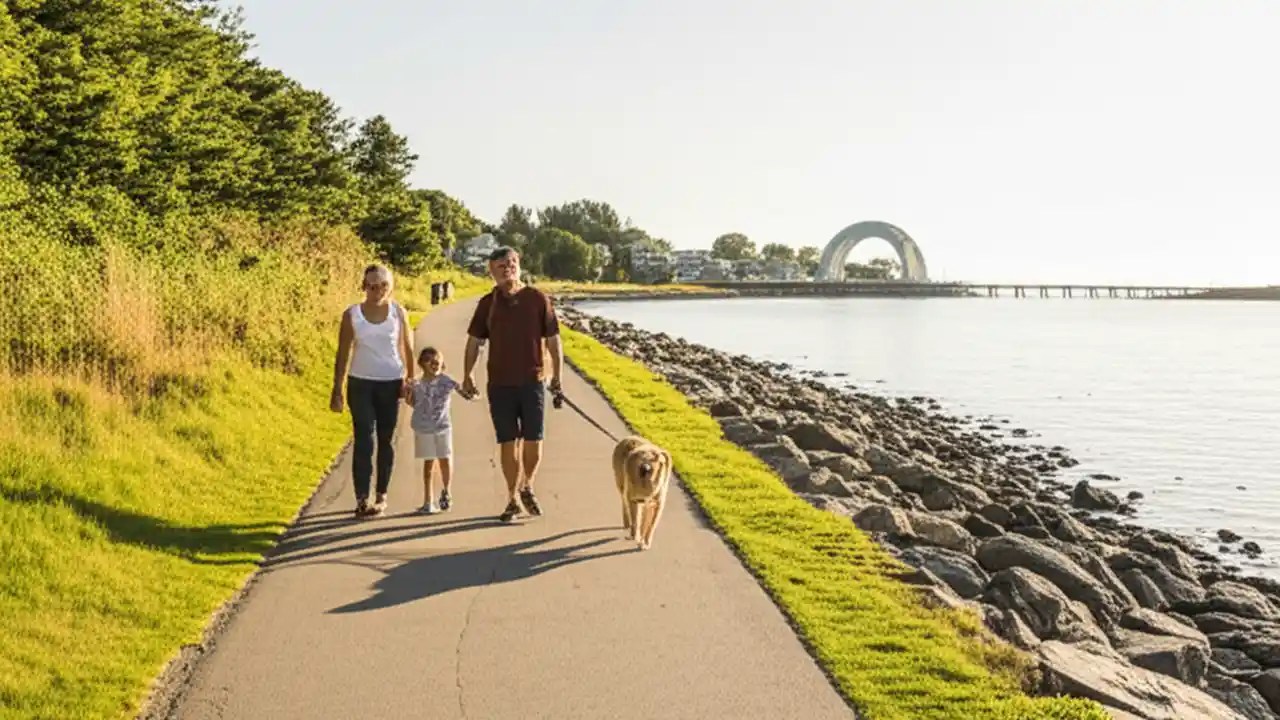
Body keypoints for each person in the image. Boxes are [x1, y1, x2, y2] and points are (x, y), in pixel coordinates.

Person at [462, 246, 563, 523]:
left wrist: (557, 377)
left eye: (512, 263)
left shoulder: (537, 299)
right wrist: (468, 374)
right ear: (492, 271)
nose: (508, 268)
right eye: (501, 266)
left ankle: (527, 484)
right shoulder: (488, 303)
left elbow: (553, 340)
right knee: (508, 441)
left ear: (519, 264)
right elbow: (475, 341)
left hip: (533, 381)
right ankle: (512, 497)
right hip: (500, 384)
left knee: (534, 440)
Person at [330, 264, 414, 518]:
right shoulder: (352, 314)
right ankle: (361, 498)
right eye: (372, 286)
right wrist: (337, 388)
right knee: (364, 437)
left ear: (391, 287)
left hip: (391, 382)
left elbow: (407, 348)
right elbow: (343, 352)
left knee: (386, 439)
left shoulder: (398, 312)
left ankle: (381, 495)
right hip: (361, 383)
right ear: (364, 287)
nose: (378, 291)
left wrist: (410, 381)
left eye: (383, 286)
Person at [405, 346, 469, 514]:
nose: (435, 365)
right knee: (428, 462)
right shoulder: (417, 384)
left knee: (444, 459)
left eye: (438, 362)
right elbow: (411, 403)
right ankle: (428, 500)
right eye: (430, 361)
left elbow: (463, 391)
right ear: (422, 364)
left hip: (442, 427)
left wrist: (471, 391)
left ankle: (446, 491)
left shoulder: (446, 381)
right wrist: (408, 392)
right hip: (424, 427)